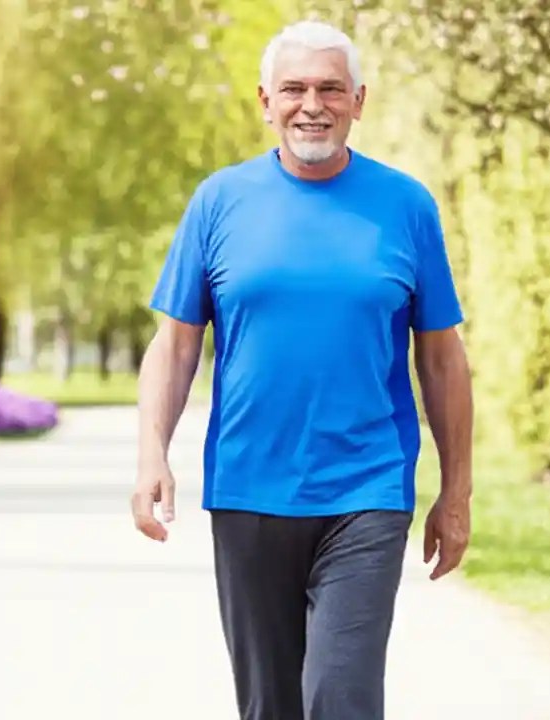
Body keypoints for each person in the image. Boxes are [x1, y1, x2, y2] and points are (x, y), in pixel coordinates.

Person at [131, 19, 474, 720]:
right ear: (265, 101)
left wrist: (456, 491)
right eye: (294, 88)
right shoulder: (219, 202)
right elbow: (174, 344)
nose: (311, 104)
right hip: (249, 489)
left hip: (367, 490)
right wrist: (151, 455)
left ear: (358, 100)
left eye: (329, 88)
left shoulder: (406, 207)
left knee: (340, 698)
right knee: (270, 707)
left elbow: (441, 357)